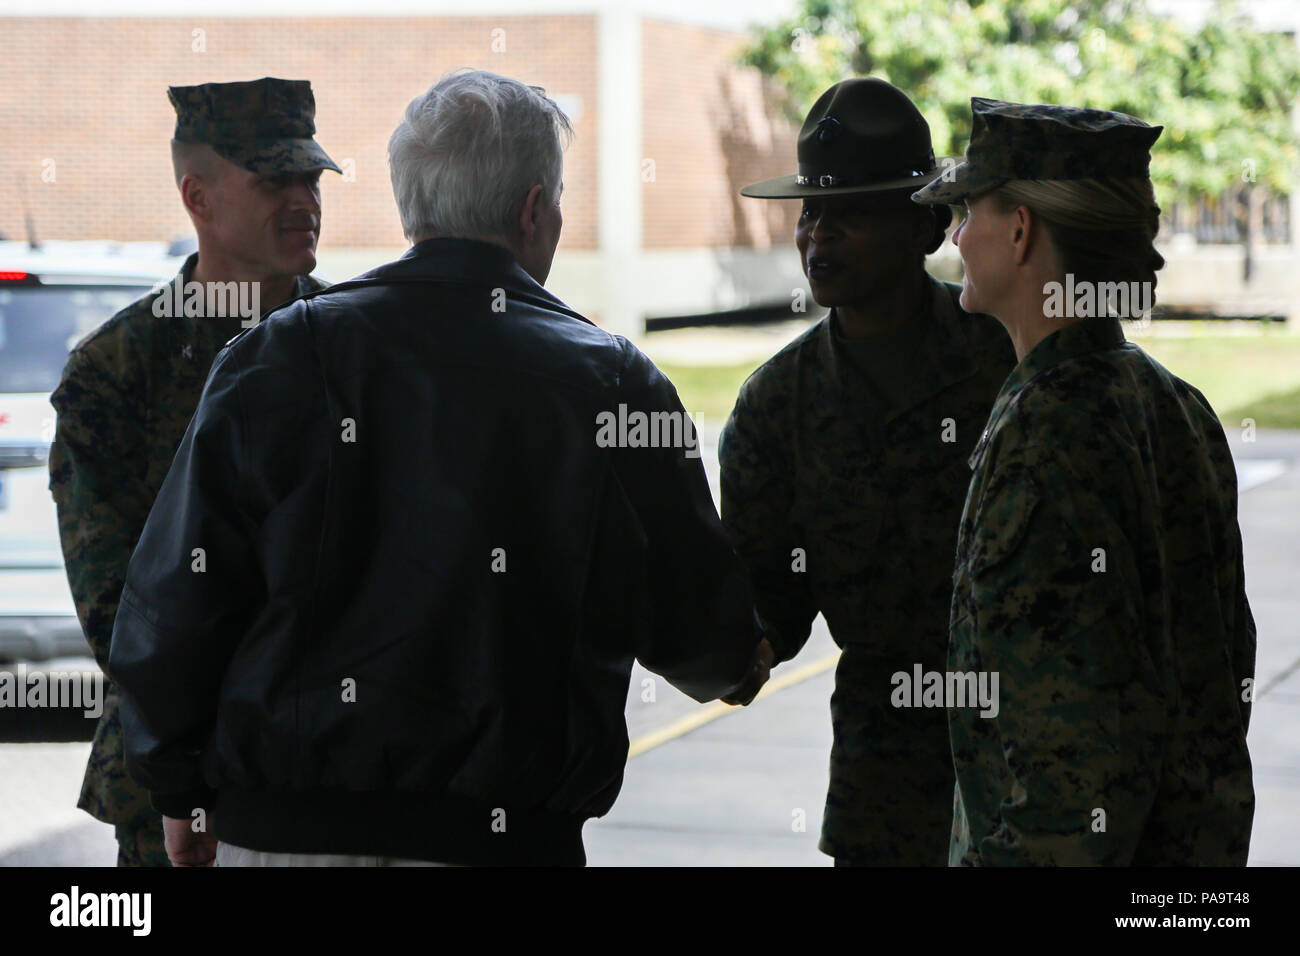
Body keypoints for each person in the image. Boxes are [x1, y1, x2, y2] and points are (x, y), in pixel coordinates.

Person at [108, 69, 769, 868]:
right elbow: (696, 623)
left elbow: (175, 599)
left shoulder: (276, 355)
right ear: (532, 209)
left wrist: (176, 787)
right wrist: (744, 655)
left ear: (408, 205)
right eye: (556, 203)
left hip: (277, 837)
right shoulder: (612, 384)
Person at [913, 97, 1256, 865]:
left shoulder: (1045, 436)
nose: (958, 236)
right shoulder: (1175, 405)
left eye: (969, 210)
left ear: (1022, 229)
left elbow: (1070, 791)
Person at [719, 78, 1016, 865]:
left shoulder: (1008, 355)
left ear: (925, 226)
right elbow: (763, 619)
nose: (818, 237)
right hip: (885, 782)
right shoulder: (774, 407)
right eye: (810, 214)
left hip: (1036, 758)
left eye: (848, 215)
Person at [49, 76, 340, 868]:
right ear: (198, 198)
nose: (304, 200)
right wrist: (199, 774)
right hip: (181, 784)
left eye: (311, 177)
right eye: (274, 179)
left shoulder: (360, 348)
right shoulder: (117, 371)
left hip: (342, 767)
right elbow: (121, 611)